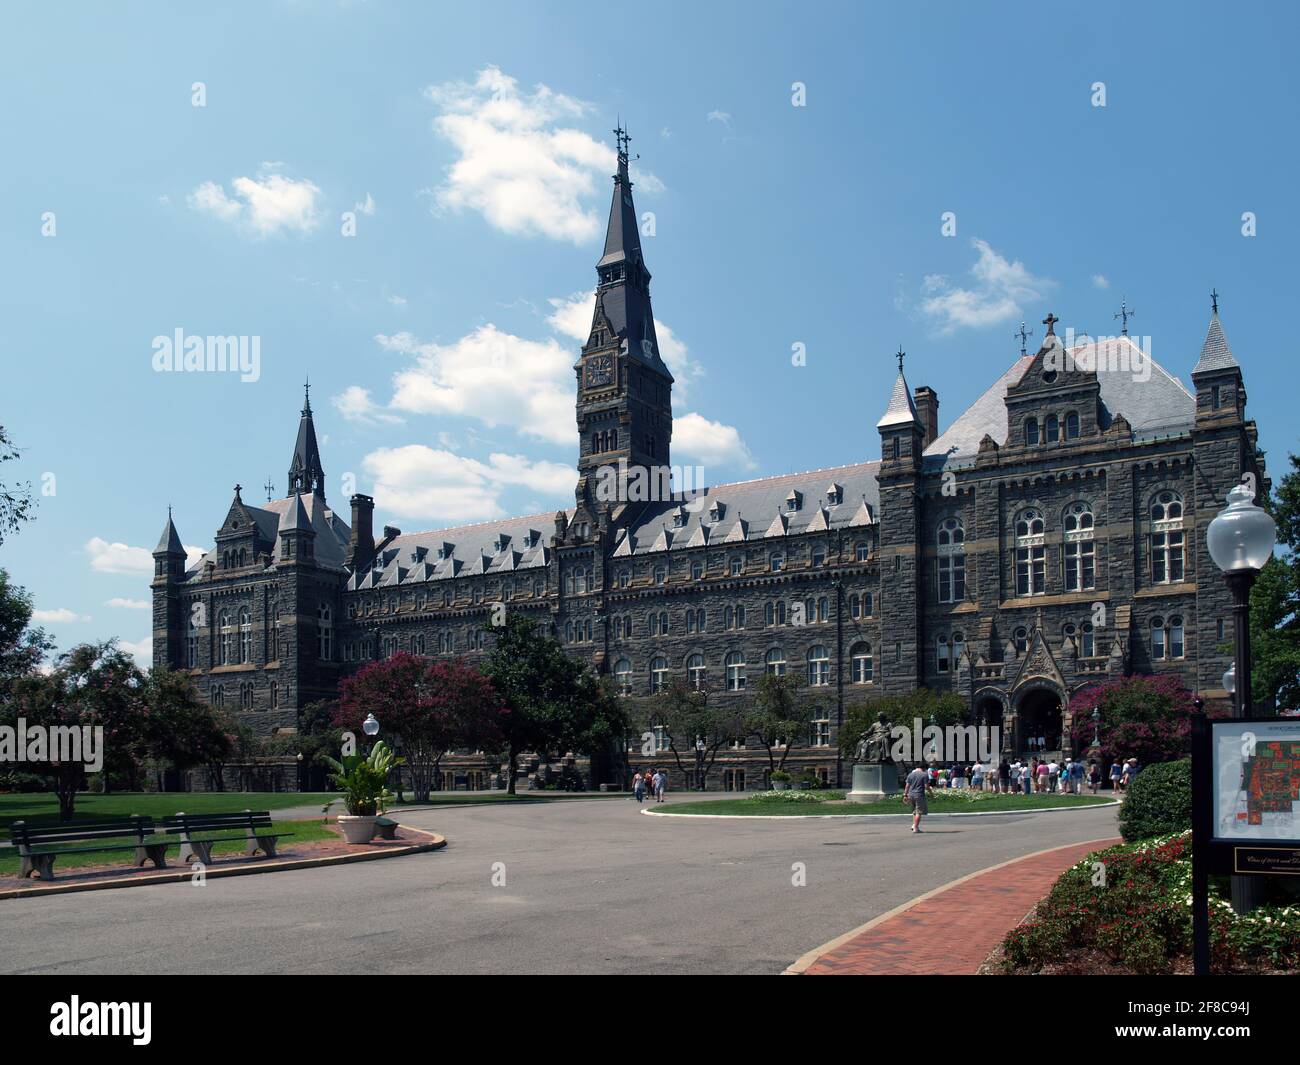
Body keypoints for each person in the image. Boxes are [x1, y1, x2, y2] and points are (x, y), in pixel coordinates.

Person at [904, 762, 931, 833]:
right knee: (919, 812)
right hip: (919, 795)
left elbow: (907, 786)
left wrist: (905, 795)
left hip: (910, 795)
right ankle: (915, 828)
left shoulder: (910, 774)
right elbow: (926, 786)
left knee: (914, 811)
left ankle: (914, 825)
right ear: (924, 768)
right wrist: (931, 793)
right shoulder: (924, 774)